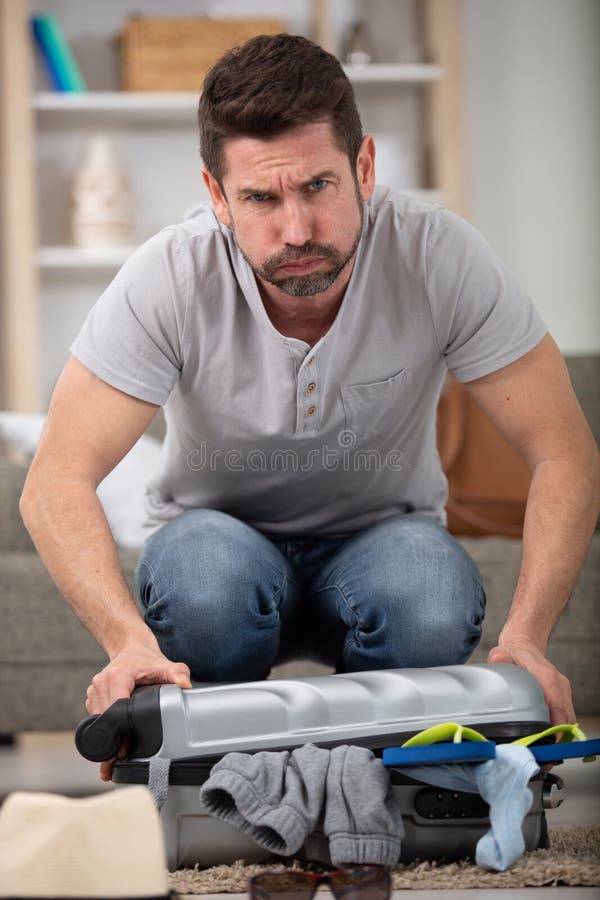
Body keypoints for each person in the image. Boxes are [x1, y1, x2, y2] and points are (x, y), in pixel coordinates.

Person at [21, 35, 599, 780]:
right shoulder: (168, 275)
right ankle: (223, 785)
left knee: (429, 595)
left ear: (363, 167)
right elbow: (55, 482)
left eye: (318, 188)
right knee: (202, 583)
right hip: (220, 555)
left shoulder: (438, 254)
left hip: (381, 544)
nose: (296, 231)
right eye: (261, 198)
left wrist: (527, 639)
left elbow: (566, 452)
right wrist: (128, 643)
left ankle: (375, 780)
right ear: (217, 194)